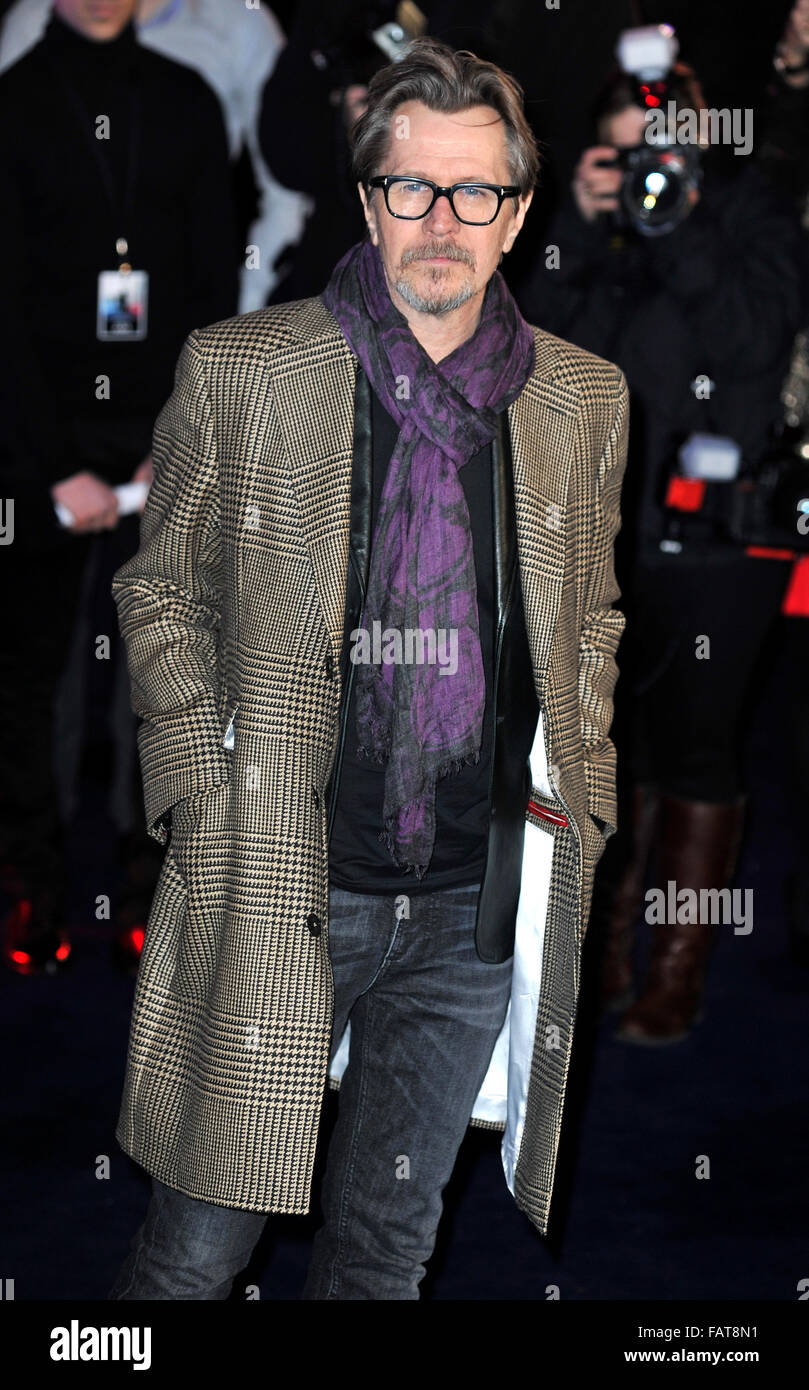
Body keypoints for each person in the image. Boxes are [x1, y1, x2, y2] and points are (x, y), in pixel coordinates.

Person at [107, 36, 628, 1300]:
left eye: (474, 194)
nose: (440, 223)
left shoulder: (581, 400)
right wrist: (199, 790)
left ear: (516, 216)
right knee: (196, 1251)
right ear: (366, 201)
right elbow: (159, 591)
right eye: (411, 188)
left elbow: (591, 615)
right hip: (285, 874)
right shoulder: (241, 371)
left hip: (468, 906)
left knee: (387, 1251)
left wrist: (584, 786)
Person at [519, 54, 802, 1042]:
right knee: (600, 750)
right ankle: (596, 950)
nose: (646, 170)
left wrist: (675, 219)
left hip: (717, 538)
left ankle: (673, 967)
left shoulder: (747, 210)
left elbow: (748, 341)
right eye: (623, 154)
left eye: (662, 149)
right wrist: (575, 227)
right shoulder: (590, 230)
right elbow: (536, 358)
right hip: (598, 530)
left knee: (696, 749)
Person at [0, 0, 238, 973]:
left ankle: (156, 884)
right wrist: (51, 465)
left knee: (165, 677)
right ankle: (27, 884)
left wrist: (173, 442)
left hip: (159, 436)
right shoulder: (12, 105)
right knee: (25, 682)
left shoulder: (184, 100)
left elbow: (213, 282)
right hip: (31, 442)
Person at [0, 0, 310, 311]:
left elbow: (283, 189)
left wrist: (245, 313)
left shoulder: (235, 26)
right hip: (49, 307)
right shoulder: (30, 25)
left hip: (180, 303)